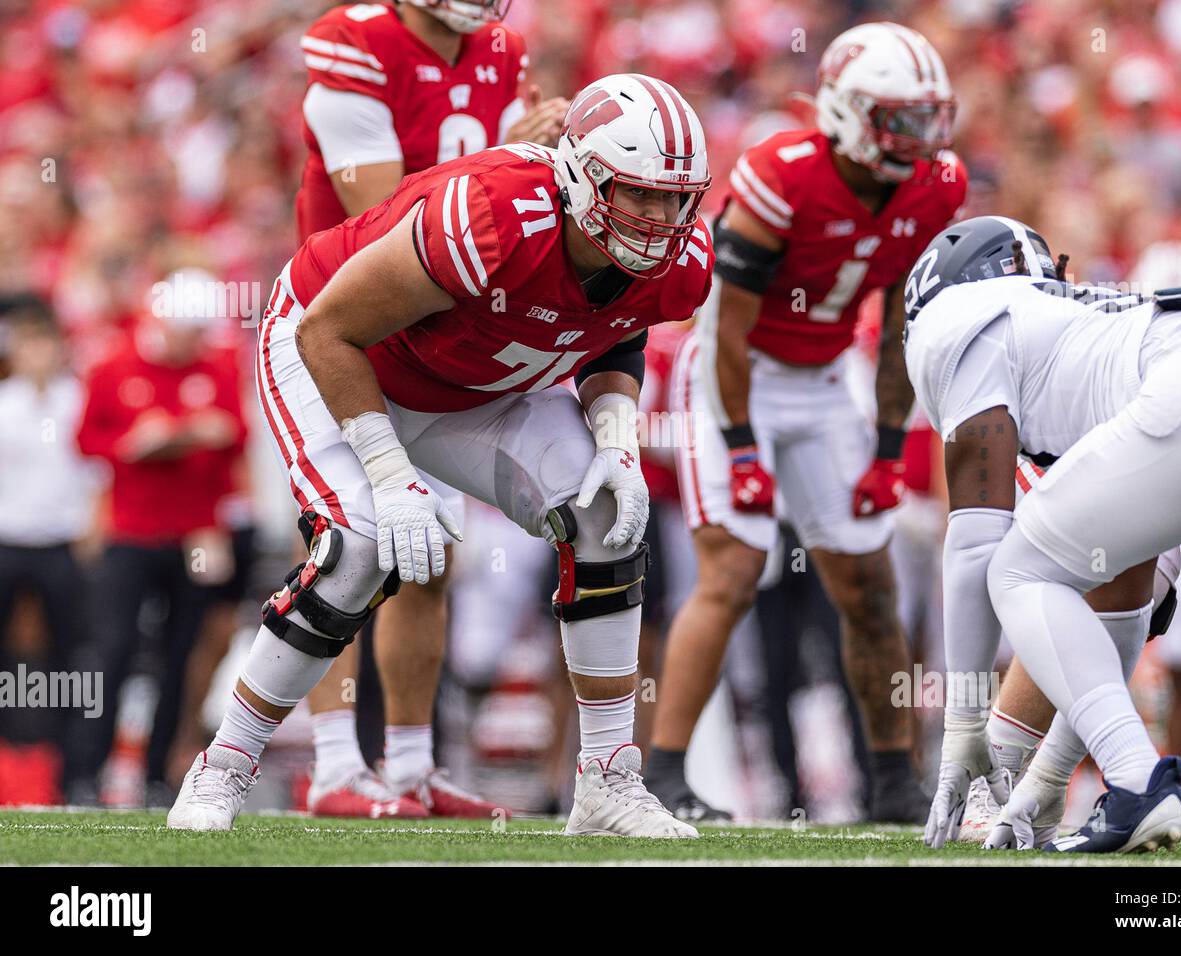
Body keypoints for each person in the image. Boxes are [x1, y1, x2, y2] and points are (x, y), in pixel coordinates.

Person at [168, 73, 714, 837]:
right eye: (640, 195)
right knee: (358, 551)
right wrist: (390, 475)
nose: (662, 218)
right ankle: (222, 767)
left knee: (602, 517)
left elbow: (621, 324)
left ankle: (607, 781)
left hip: (473, 389)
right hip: (336, 354)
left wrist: (616, 435)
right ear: (583, 178)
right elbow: (327, 332)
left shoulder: (680, 258)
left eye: (675, 197)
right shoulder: (492, 214)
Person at [647, 22, 965, 822]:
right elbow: (724, 326)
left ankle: (891, 779)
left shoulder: (934, 185)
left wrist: (890, 448)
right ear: (849, 111)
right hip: (737, 371)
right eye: (901, 118)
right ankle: (664, 774)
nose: (920, 138)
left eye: (929, 118)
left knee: (870, 586)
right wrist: (742, 448)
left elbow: (900, 325)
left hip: (826, 380)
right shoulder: (780, 175)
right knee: (731, 573)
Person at [905, 215, 1181, 852]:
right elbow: (1120, 602)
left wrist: (964, 721)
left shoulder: (953, 321)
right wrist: (1049, 777)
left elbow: (978, 541)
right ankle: (1132, 785)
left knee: (1017, 569)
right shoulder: (1083, 336)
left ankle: (1140, 788)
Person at [294, 0, 568, 819]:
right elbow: (380, 218)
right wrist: (515, 152)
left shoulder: (499, 46)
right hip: (335, 323)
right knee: (347, 549)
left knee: (430, 559)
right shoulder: (355, 41)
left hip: (428, 338)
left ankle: (411, 766)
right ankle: (337, 765)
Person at [74, 269, 249, 805]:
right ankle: (86, 772)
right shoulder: (115, 365)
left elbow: (235, 436)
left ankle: (156, 775)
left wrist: (201, 437)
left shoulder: (216, 367)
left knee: (183, 651)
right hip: (131, 530)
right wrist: (135, 442)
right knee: (113, 649)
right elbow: (87, 440)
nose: (196, 342)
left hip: (196, 533)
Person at [0, 301, 100, 795]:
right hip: (8, 541)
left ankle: (72, 769)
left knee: (71, 655)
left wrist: (92, 537)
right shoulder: (3, 404)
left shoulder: (77, 400)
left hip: (63, 543)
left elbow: (95, 475)